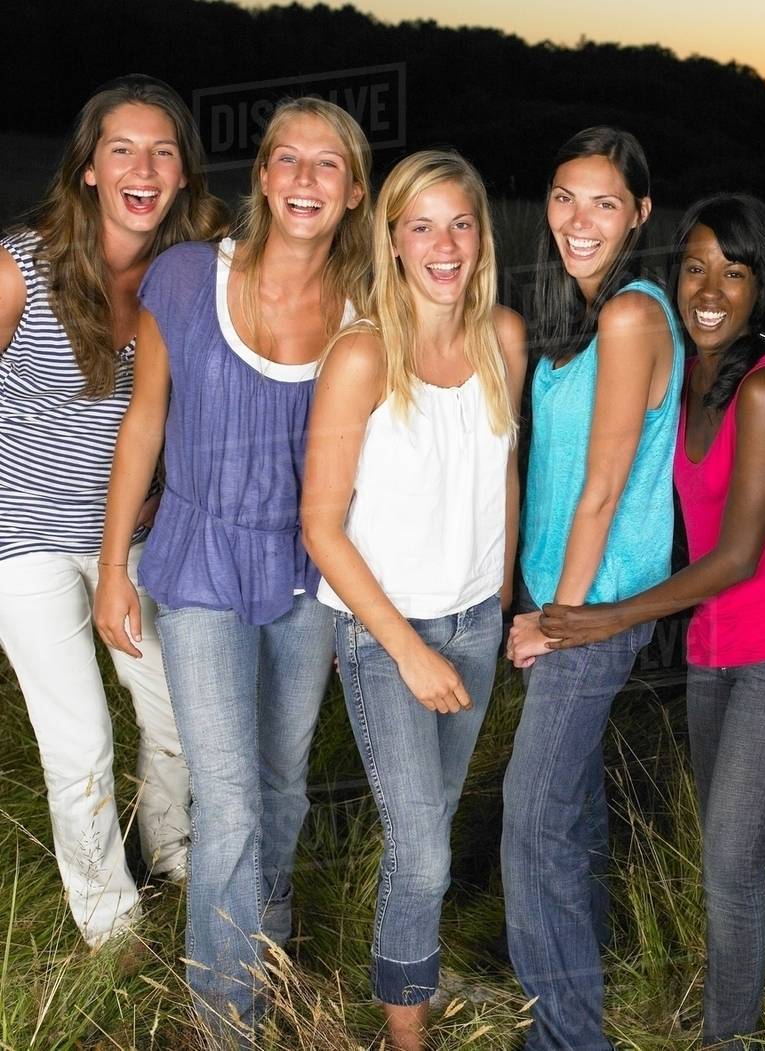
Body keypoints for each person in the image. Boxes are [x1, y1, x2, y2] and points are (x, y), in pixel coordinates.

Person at [539, 193, 765, 1048]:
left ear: (763, 288)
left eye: (735, 272)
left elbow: (737, 557)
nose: (710, 288)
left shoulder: (764, 390)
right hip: (718, 648)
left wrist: (605, 616)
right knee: (728, 856)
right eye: (694, 266)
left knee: (728, 856)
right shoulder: (690, 382)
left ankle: (731, 1037)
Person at [94, 97, 372, 1045]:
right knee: (230, 795)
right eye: (285, 160)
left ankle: (270, 956)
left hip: (306, 577)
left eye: (326, 164)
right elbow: (143, 423)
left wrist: (359, 605)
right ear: (260, 177)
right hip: (199, 563)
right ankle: (227, 1023)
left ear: (353, 190)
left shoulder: (368, 306)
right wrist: (109, 564)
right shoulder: (181, 275)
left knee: (283, 788)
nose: (303, 179)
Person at [301, 149, 525, 1051]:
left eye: (460, 223)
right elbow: (321, 524)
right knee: (425, 847)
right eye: (421, 225)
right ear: (391, 238)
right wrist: (409, 648)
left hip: (473, 621)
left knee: (424, 837)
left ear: (480, 236)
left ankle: (416, 969)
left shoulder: (503, 337)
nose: (444, 244)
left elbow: (502, 471)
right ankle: (405, 1033)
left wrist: (500, 601)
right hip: (384, 632)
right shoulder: (360, 354)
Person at [0, 75, 225, 950]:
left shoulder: (192, 267)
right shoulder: (21, 265)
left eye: (163, 150)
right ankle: (111, 926)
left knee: (177, 708)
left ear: (182, 172)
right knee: (82, 740)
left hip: (131, 533)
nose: (143, 166)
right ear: (88, 168)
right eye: (121, 148)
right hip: (22, 537)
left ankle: (174, 852)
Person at [502, 126, 685, 1050]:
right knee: (566, 815)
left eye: (605, 202)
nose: (580, 219)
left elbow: (606, 485)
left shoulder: (631, 315)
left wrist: (556, 619)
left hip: (590, 605)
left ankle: (567, 1037)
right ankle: (576, 1003)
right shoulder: (585, 312)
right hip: (560, 593)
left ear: (641, 214)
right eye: (566, 197)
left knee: (529, 823)